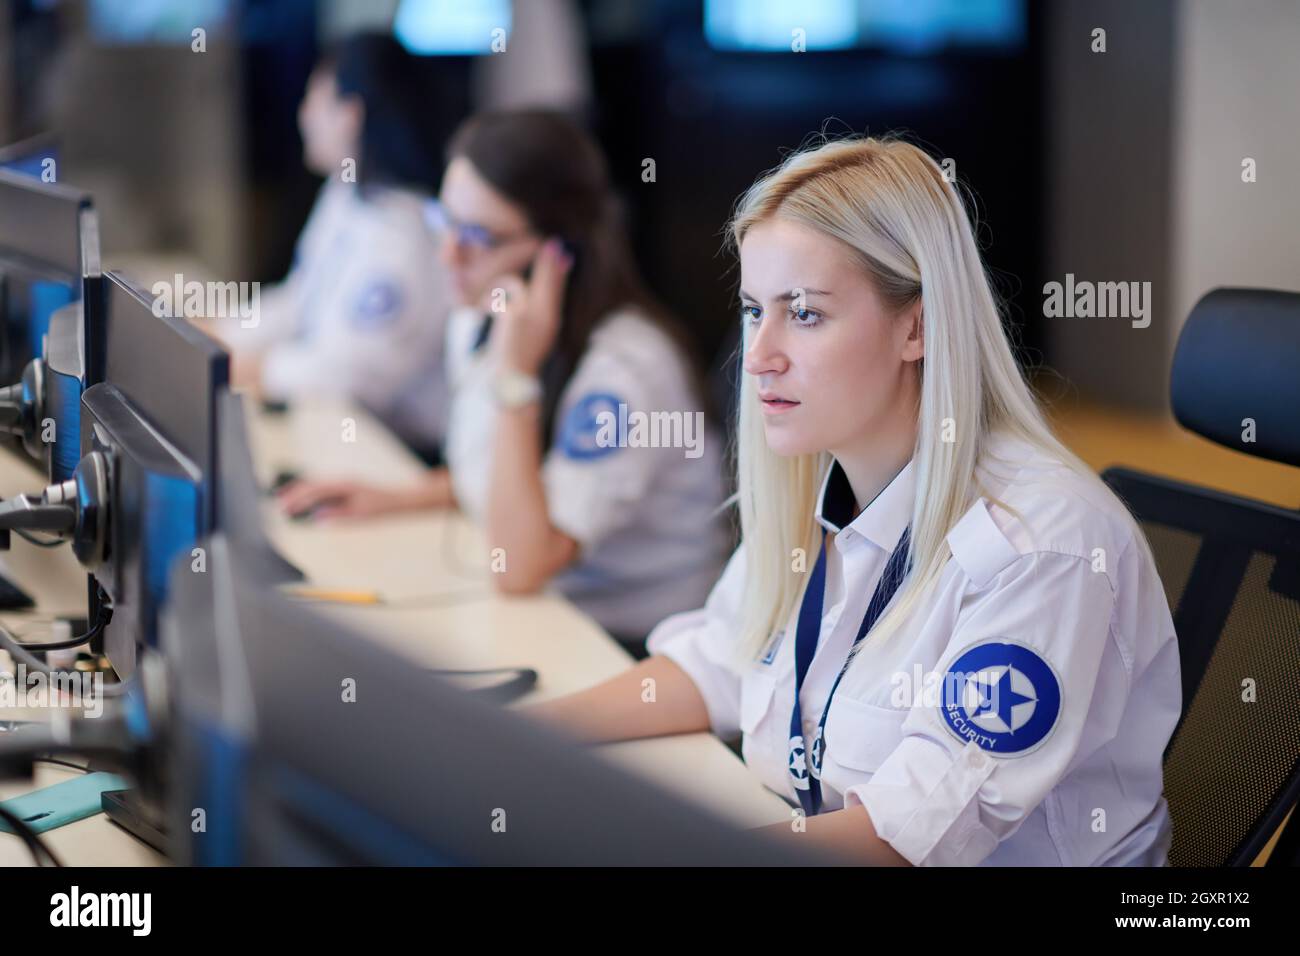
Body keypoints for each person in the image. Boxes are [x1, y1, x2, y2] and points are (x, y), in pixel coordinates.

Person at [526, 135, 1182, 866]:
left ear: (918, 326)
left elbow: (901, 838)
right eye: (753, 311)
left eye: (804, 314)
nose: (760, 355)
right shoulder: (824, 484)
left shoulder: (1040, 546)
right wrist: (516, 739)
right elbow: (717, 662)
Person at [279, 110, 730, 649]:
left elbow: (521, 565)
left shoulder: (622, 375)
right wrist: (399, 497)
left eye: (478, 236)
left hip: (630, 639)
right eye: (441, 221)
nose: (448, 254)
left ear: (556, 251)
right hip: (547, 607)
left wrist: (518, 380)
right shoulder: (483, 313)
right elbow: (514, 479)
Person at [224, 33, 452, 461]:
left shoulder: (403, 237)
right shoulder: (346, 195)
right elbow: (300, 299)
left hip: (398, 451)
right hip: (337, 424)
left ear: (350, 115)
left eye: (313, 100)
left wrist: (246, 367)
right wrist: (222, 335)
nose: (303, 115)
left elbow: (350, 373)